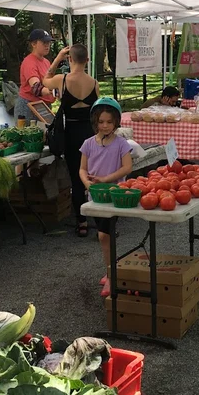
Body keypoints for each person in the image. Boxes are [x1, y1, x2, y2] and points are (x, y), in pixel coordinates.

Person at [43, 44, 99, 237]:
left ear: (70, 60)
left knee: (77, 178)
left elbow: (45, 80)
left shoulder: (62, 80)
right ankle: (101, 217)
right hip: (91, 134)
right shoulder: (94, 83)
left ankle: (81, 222)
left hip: (72, 134)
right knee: (95, 174)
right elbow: (98, 111)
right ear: (88, 60)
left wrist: (57, 58)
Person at [79, 97, 133, 298]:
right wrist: (87, 183)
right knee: (104, 236)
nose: (105, 125)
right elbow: (82, 169)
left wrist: (106, 179)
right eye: (101, 122)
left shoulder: (121, 144)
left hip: (115, 197)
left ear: (116, 122)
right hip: (95, 197)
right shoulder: (88, 143)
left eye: (109, 122)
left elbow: (127, 167)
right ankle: (111, 268)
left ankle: (112, 274)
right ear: (95, 122)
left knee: (104, 235)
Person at [16, 29, 69, 124]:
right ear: (33, 44)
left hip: (43, 106)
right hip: (29, 107)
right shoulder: (29, 62)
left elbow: (49, 80)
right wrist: (54, 92)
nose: (47, 45)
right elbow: (36, 88)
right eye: (44, 42)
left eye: (49, 42)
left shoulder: (46, 62)